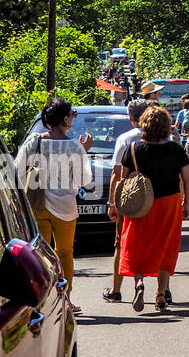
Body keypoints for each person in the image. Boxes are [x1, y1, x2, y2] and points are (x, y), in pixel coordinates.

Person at [16, 98, 92, 313]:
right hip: (66, 207)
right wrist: (83, 151)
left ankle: (42, 299)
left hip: (37, 205)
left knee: (40, 254)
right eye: (71, 115)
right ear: (65, 118)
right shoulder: (74, 146)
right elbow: (84, 180)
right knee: (65, 253)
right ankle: (65, 300)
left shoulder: (35, 141)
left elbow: (17, 171)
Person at [118, 105, 189, 313]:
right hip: (169, 202)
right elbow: (187, 178)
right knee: (165, 247)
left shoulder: (133, 149)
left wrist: (115, 205)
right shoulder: (175, 149)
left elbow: (122, 179)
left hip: (141, 202)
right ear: (167, 126)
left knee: (137, 243)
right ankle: (161, 294)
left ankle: (139, 283)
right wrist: (186, 202)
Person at [103, 99, 150, 302]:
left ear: (131, 119)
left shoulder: (125, 139)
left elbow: (116, 173)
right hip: (155, 196)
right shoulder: (161, 137)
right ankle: (162, 290)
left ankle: (116, 289)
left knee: (121, 243)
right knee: (151, 242)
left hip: (129, 197)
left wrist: (112, 202)